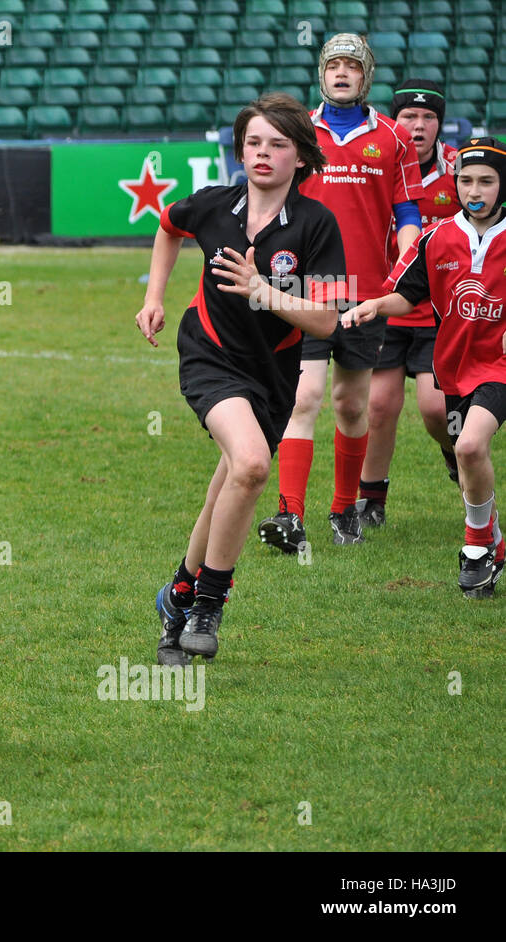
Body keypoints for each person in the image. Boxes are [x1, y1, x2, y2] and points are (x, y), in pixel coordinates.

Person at [135, 93, 344, 665]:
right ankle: (208, 604)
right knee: (252, 465)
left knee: (229, 481)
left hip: (273, 372)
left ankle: (177, 595)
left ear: (300, 156)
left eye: (278, 144)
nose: (263, 153)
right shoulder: (212, 206)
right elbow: (168, 225)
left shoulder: (316, 224)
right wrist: (154, 297)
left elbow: (326, 318)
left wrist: (263, 291)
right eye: (254, 142)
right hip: (208, 354)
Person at [258, 34, 425, 551]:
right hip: (306, 287)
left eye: (353, 65)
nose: (342, 73)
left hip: (366, 292)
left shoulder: (394, 138)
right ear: (321, 73)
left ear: (366, 75)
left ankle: (343, 510)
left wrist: (406, 256)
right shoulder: (299, 133)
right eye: (334, 65)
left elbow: (408, 214)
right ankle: (290, 515)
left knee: (352, 406)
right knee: (303, 396)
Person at [344, 137, 506, 598]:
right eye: (467, 180)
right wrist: (375, 305)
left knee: (471, 446)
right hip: (454, 369)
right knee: (466, 452)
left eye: (487, 181)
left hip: (499, 366)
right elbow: (408, 294)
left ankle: (476, 548)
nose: (475, 189)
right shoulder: (437, 239)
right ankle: (492, 537)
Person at [357, 80, 461, 527]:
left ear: (439, 124)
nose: (418, 126)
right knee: (379, 407)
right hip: (388, 303)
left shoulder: (459, 170)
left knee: (437, 410)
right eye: (408, 117)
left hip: (440, 312)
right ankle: (371, 501)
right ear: (392, 120)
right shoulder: (376, 165)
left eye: (429, 118)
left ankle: (459, 455)